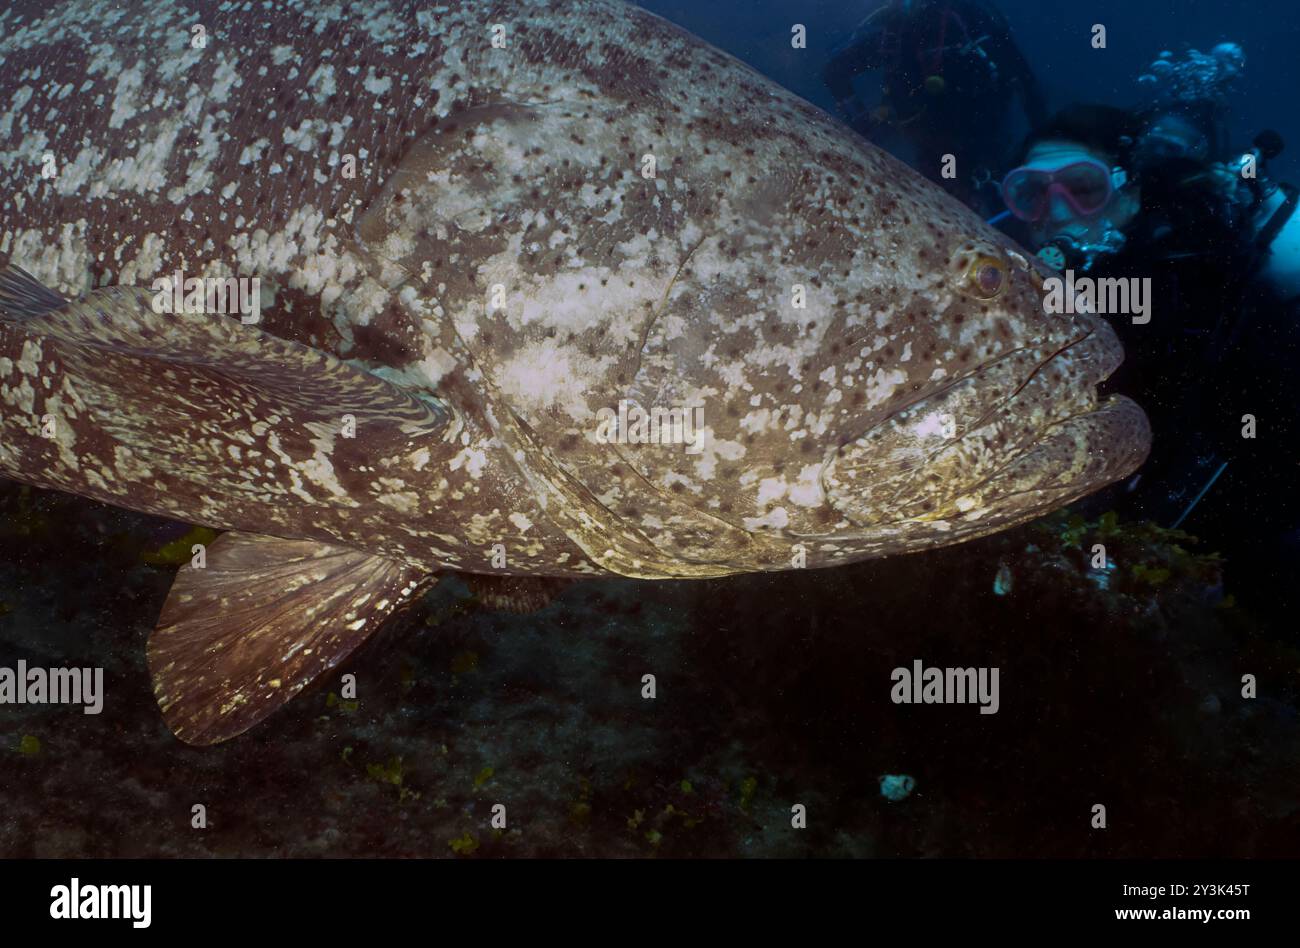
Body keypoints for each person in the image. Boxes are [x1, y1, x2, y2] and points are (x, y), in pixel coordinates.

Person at [999, 103, 1300, 610]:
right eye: (1031, 194)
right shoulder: (1046, 284)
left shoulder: (1189, 271)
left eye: (1085, 187)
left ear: (1129, 188)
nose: (1056, 210)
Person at [823, 0, 1045, 213]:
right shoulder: (894, 36)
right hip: (941, 151)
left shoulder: (972, 23)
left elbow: (1025, 83)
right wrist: (863, 124)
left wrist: (1040, 153)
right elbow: (835, 70)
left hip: (983, 151)